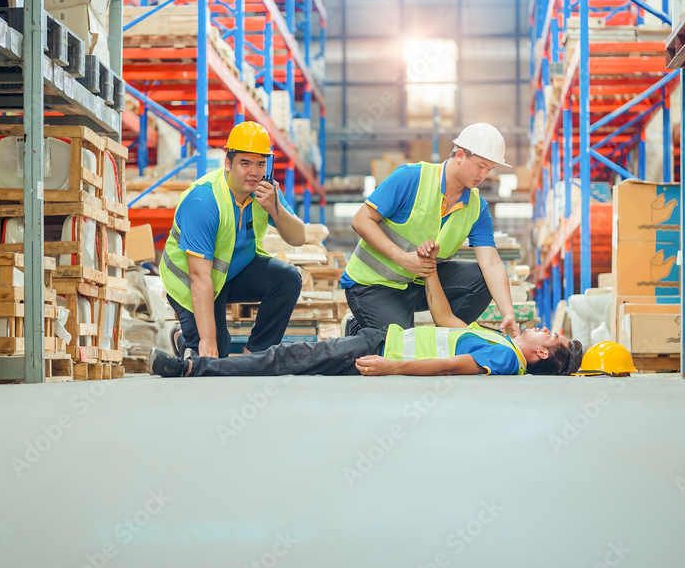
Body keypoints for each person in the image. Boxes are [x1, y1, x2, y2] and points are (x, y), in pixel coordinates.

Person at [150, 242, 584, 378]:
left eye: (551, 336)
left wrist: (391, 368)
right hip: (388, 337)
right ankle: (209, 363)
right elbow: (449, 323)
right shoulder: (502, 343)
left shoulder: (507, 358)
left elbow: (450, 364)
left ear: (542, 354)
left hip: (387, 349)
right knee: (301, 357)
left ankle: (195, 369)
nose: (546, 328)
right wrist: (429, 270)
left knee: (292, 357)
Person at [342, 122, 520, 337]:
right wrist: (402, 258)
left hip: (418, 286)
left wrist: (508, 312)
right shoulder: (411, 178)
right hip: (373, 285)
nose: (483, 175)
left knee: (480, 278)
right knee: (400, 348)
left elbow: (491, 262)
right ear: (461, 155)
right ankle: (357, 327)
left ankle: (446, 338)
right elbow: (361, 220)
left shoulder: (477, 207)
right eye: (480, 165)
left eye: (490, 169)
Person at [159, 121, 307, 358]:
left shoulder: (266, 192)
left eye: (261, 163)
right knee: (214, 356)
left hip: (232, 273)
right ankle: (182, 336)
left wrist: (275, 209)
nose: (254, 172)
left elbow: (298, 238)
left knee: (288, 278)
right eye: (245, 163)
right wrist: (208, 341)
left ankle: (256, 354)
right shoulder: (204, 200)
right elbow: (199, 277)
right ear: (228, 163)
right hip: (191, 279)